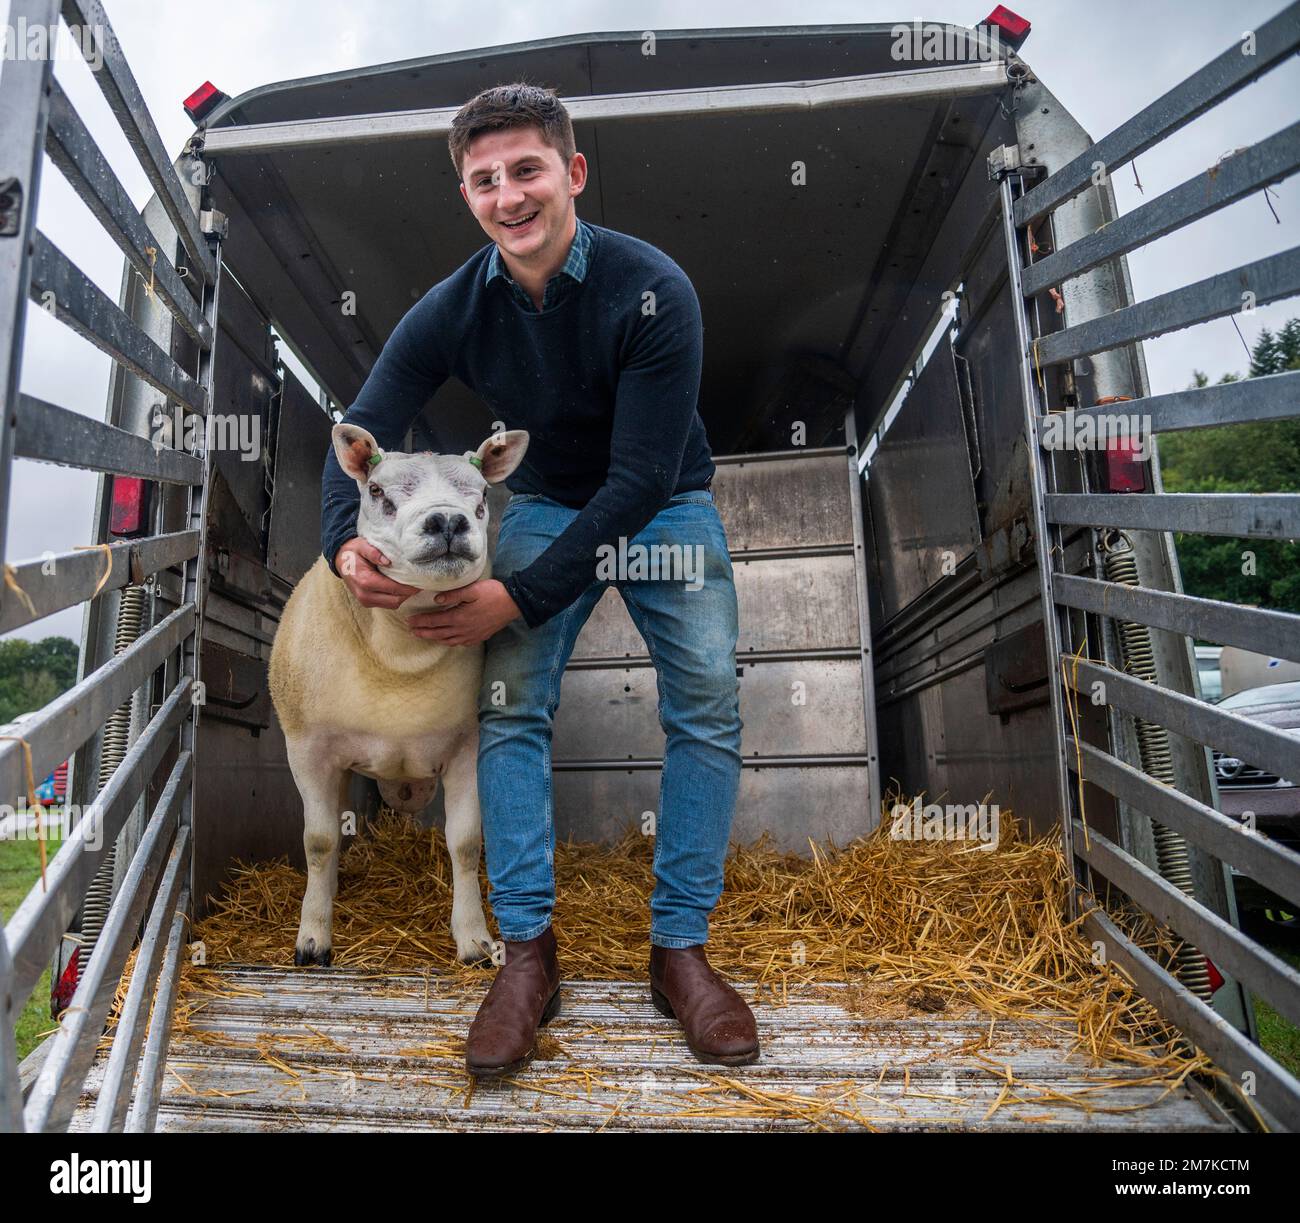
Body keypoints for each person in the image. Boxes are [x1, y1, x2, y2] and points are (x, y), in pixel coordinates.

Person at [319, 82, 757, 1077]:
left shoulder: (653, 289)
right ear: (466, 195)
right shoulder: (451, 308)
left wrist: (516, 594)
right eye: (485, 180)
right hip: (548, 497)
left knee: (706, 700)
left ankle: (680, 952)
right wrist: (342, 546)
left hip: (666, 498)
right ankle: (527, 955)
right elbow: (360, 423)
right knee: (509, 705)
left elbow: (638, 480)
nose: (508, 195)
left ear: (573, 173)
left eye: (527, 170)